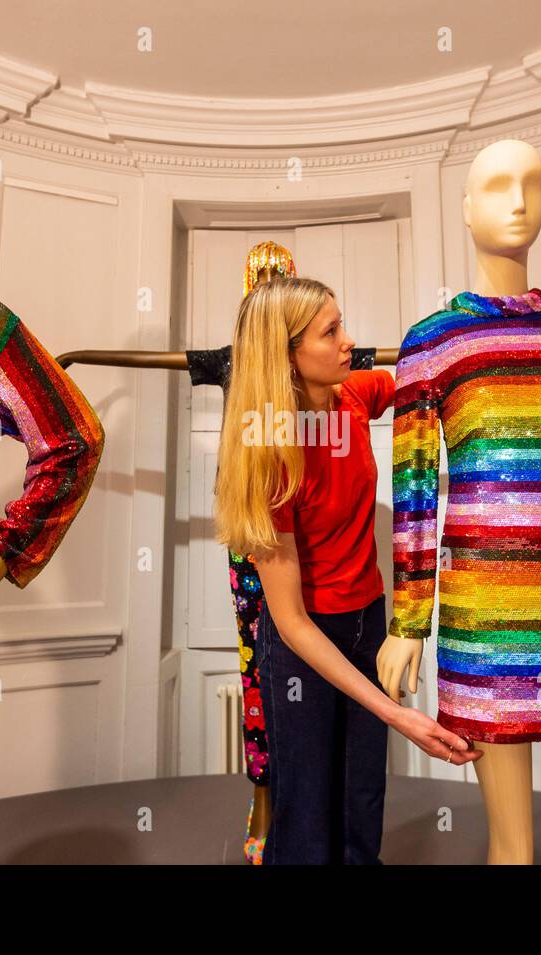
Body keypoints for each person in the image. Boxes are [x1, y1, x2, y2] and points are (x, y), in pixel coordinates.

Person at [213, 275, 479, 865]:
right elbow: (292, 622)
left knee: (362, 807)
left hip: (368, 620)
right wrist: (399, 715)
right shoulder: (271, 457)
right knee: (307, 820)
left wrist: (517, 313)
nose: (348, 341)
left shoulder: (350, 398)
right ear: (286, 354)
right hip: (307, 643)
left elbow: (423, 363)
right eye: (330, 331)